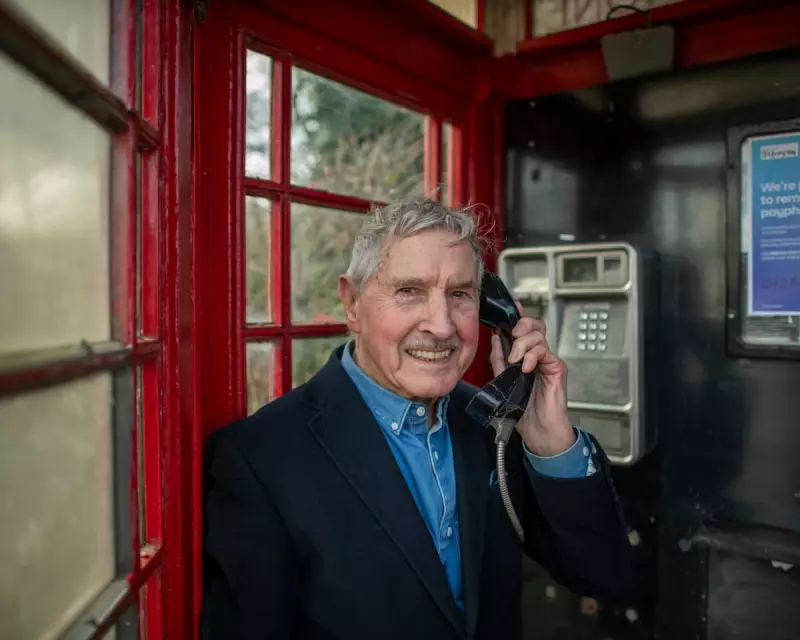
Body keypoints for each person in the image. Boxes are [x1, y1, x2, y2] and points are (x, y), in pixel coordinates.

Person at [201, 199, 633, 639]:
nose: (442, 326)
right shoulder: (260, 460)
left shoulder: (491, 426)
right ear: (352, 304)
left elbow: (603, 575)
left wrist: (551, 442)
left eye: (460, 293)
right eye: (409, 291)